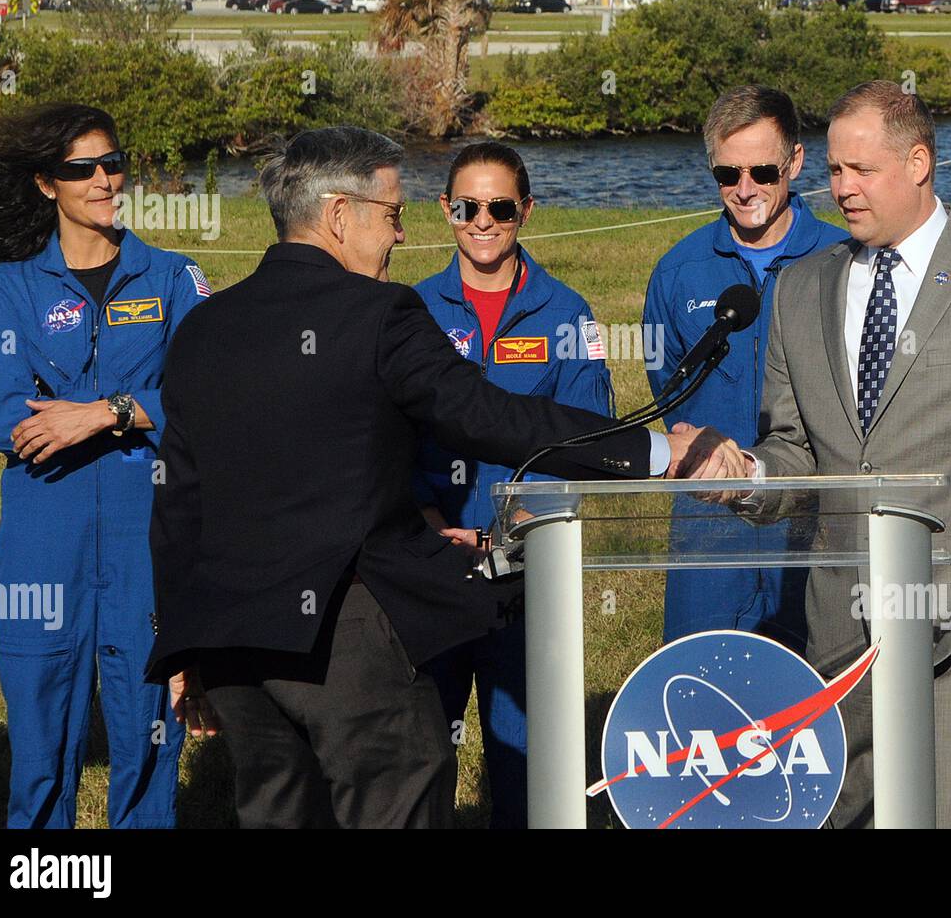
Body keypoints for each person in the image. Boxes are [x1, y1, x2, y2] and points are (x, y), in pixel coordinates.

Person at [143, 126, 725, 829]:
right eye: (391, 213)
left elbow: (177, 502)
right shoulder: (382, 314)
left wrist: (185, 648)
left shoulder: (205, 327)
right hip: (347, 638)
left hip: (233, 647)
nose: (398, 234)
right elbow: (489, 415)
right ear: (338, 215)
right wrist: (658, 452)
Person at [736, 81, 951, 827]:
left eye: (860, 170)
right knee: (838, 815)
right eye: (832, 170)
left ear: (920, 162)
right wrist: (747, 477)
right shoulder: (798, 288)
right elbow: (796, 448)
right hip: (836, 620)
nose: (841, 188)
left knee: (947, 817)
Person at [0, 102, 213, 829]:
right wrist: (146, 408)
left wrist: (103, 411)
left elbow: (210, 400)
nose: (106, 179)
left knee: (148, 736)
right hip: (44, 547)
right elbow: (14, 423)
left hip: (149, 545)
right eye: (84, 168)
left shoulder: (172, 278)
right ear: (48, 184)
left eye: (114, 163)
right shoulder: (9, 288)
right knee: (42, 746)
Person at [412, 141, 614, 828]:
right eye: (467, 206)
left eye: (500, 206)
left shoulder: (567, 313)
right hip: (433, 563)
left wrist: (524, 522)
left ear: (526, 209)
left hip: (528, 569)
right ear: (445, 210)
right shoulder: (410, 313)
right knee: (419, 758)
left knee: (528, 763)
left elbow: (589, 437)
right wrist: (431, 520)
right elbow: (386, 438)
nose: (483, 221)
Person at [642, 85, 848, 649]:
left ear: (796, 162)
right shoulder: (678, 270)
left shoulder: (843, 260)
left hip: (814, 516)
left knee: (819, 693)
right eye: (727, 175)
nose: (745, 189)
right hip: (709, 521)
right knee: (698, 685)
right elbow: (666, 387)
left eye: (762, 170)